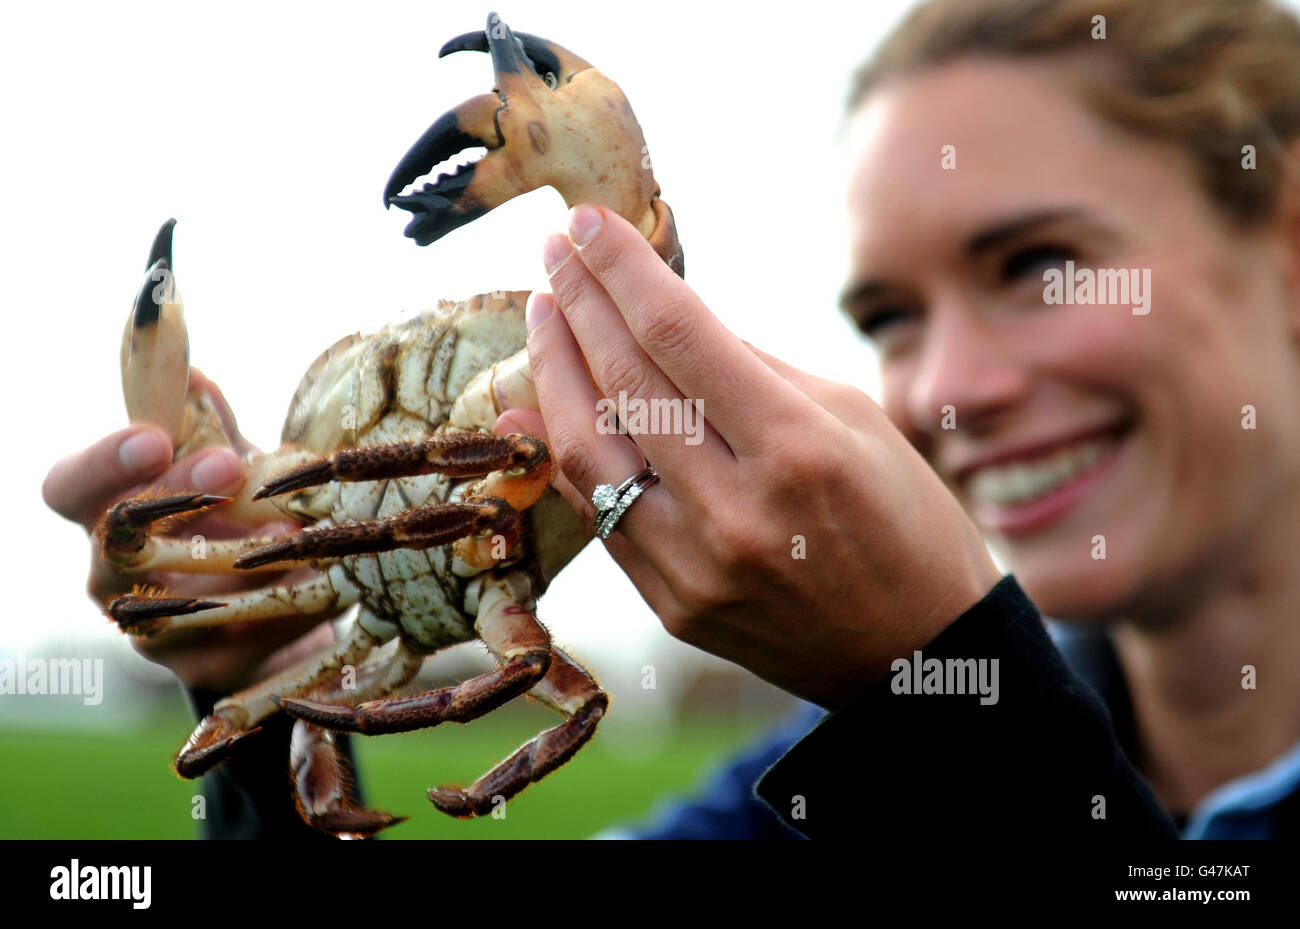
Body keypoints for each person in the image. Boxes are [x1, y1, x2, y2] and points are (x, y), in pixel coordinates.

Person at [43, 0, 1300, 839]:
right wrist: (275, 715)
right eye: (890, 316)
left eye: (1037, 266)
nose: (950, 389)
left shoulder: (873, 747)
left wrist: (935, 701)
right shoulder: (785, 803)